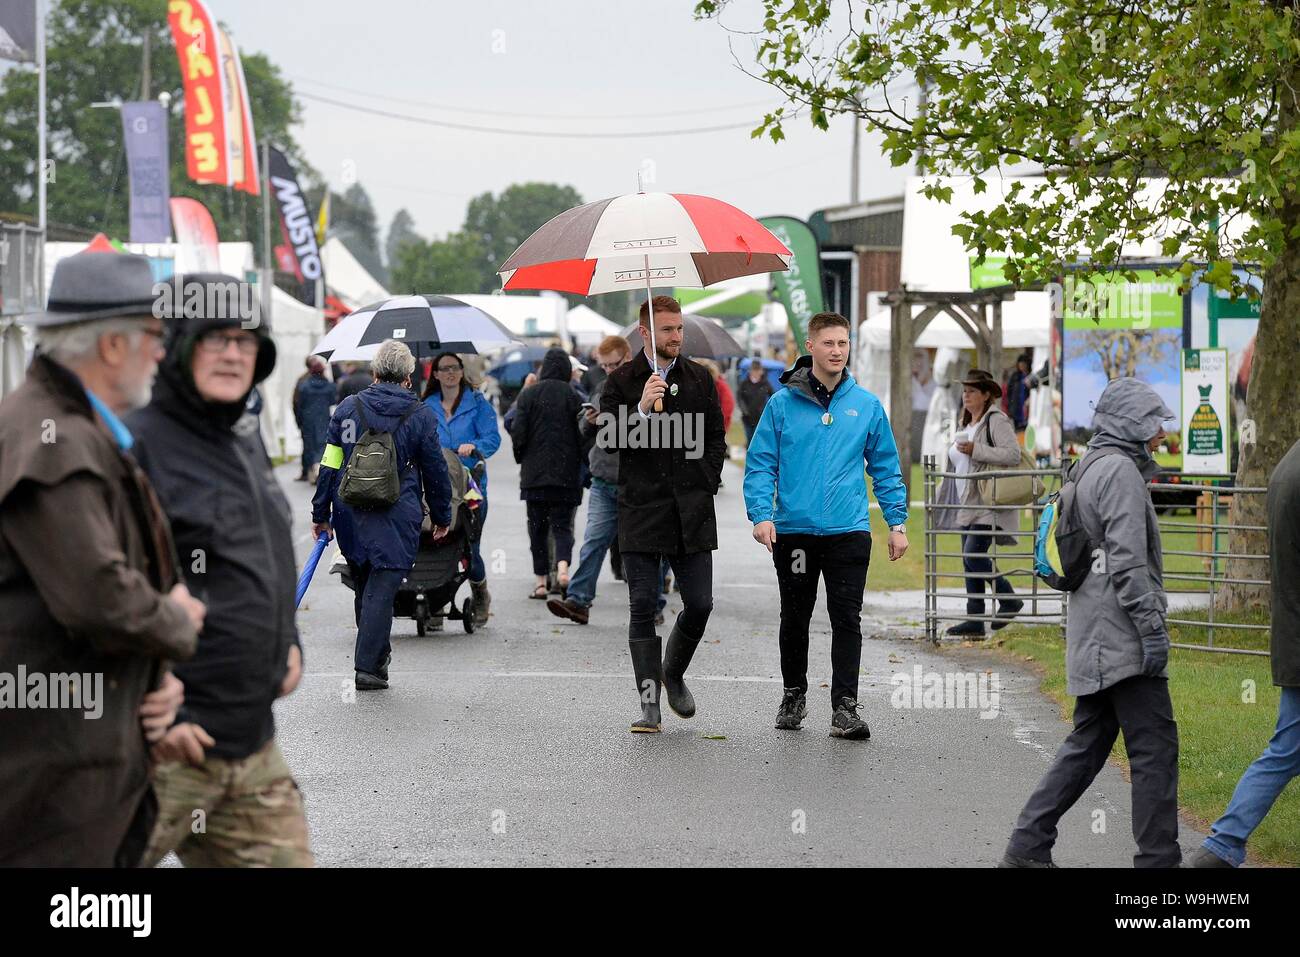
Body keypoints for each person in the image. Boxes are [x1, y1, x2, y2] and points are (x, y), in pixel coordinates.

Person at [0, 251, 202, 866]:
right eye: (155, 336)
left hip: (71, 765)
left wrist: (157, 677)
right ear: (113, 344)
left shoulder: (63, 424)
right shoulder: (53, 441)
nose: (164, 352)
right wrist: (176, 621)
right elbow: (98, 597)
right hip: (55, 784)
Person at [127, 273, 312, 867]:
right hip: (159, 755)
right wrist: (163, 709)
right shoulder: (133, 447)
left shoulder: (243, 436)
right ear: (177, 344)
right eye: (215, 338)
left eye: (246, 339)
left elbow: (268, 553)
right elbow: (97, 593)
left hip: (251, 746)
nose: (234, 352)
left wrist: (289, 638)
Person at [1002, 377, 1180, 868]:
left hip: (1094, 632)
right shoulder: (1120, 472)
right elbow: (1126, 563)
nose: (1160, 435)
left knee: (1088, 742)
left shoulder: (1089, 465)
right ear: (1130, 425)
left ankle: (1027, 847)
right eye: (1153, 424)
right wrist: (1151, 633)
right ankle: (1159, 862)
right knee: (1155, 750)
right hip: (1122, 638)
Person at [744, 312, 909, 740]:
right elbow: (761, 465)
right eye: (829, 343)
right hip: (795, 532)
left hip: (848, 532)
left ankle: (845, 707)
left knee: (846, 618)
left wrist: (897, 522)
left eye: (843, 343)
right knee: (795, 617)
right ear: (811, 346)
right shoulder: (781, 404)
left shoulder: (867, 405)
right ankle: (794, 694)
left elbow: (886, 468)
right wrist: (762, 515)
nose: (837, 351)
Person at [598, 295, 727, 733]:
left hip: (690, 510)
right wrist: (638, 409)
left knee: (701, 603)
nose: (677, 336)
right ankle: (649, 703)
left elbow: (714, 437)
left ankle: (673, 671)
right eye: (668, 330)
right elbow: (610, 442)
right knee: (642, 605)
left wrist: (706, 479)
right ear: (646, 333)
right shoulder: (622, 381)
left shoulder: (699, 378)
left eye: (679, 329)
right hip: (641, 509)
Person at [312, 340, 453, 690]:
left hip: (349, 511)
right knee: (383, 584)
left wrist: (321, 511)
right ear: (408, 376)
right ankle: (368, 668)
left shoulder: (347, 409)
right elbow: (435, 469)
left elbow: (329, 463)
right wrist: (441, 515)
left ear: (374, 373)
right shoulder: (419, 415)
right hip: (395, 511)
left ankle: (377, 655)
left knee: (365, 580)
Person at [1187, 436, 1300, 867]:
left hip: (1292, 632)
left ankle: (1222, 846)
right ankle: (1222, 844)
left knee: (1287, 747)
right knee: (1286, 748)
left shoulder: (1287, 464)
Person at [548, 335, 662, 625]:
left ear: (628, 357)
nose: (611, 370)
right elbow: (584, 428)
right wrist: (590, 421)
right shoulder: (601, 388)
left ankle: (652, 603)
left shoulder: (649, 387)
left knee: (648, 546)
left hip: (639, 480)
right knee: (594, 541)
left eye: (616, 364)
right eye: (606, 366)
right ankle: (578, 600)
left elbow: (655, 431)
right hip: (603, 478)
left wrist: (618, 420)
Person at [422, 351, 501, 626]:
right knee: (433, 543)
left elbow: (492, 437)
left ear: (461, 371)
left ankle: (480, 593)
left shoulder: (477, 403)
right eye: (444, 369)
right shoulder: (426, 405)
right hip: (435, 487)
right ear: (435, 374)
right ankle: (435, 600)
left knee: (469, 546)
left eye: (455, 368)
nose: (450, 373)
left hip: (471, 488)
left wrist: (475, 446)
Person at [945, 369, 1024, 638]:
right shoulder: (965, 424)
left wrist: (976, 450)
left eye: (972, 391)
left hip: (988, 502)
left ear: (986, 394)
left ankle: (1009, 598)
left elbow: (1013, 454)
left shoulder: (996, 420)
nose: (966, 395)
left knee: (973, 555)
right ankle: (975, 619)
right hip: (967, 502)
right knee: (970, 562)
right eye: (964, 391)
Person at [509, 348, 584, 599]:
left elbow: (519, 432)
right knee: (563, 527)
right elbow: (582, 435)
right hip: (566, 475)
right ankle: (562, 568)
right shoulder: (573, 396)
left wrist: (522, 457)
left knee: (537, 530)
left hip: (535, 475)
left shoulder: (529, 395)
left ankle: (541, 582)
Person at [295, 355, 335, 483]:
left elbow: (299, 404)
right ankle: (320, 469)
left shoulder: (304, 386)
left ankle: (311, 471)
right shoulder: (330, 386)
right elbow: (333, 402)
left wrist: (299, 420)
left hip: (308, 419)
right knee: (323, 445)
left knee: (309, 446)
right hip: (324, 418)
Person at [738, 357, 775, 445]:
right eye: (754, 370)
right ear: (750, 371)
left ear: (761, 371)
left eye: (758, 370)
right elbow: (740, 398)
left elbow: (773, 397)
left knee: (758, 441)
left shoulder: (765, 384)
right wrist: (744, 410)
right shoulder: (744, 384)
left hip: (760, 418)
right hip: (747, 418)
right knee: (749, 440)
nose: (756, 372)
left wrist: (767, 410)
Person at [1005, 353, 1033, 436]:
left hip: (1027, 407)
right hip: (1016, 408)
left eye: (1024, 364)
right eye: (1020, 364)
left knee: (1027, 430)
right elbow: (1009, 392)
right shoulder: (1015, 376)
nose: (1022, 366)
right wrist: (1010, 407)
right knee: (1017, 431)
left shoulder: (1031, 376)